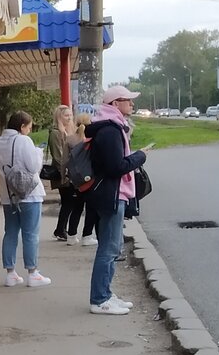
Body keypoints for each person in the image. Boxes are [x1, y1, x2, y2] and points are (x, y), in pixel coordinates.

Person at [84, 87, 150, 315]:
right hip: (112, 194)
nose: (132, 104)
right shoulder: (111, 130)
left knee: (112, 246)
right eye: (128, 100)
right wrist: (140, 156)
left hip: (110, 193)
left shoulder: (109, 126)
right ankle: (100, 299)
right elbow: (116, 167)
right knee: (109, 248)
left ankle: (106, 294)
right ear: (115, 103)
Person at [0, 111, 52, 288]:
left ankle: (10, 274)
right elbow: (33, 168)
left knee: (10, 232)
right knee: (30, 233)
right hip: (29, 194)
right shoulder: (23, 141)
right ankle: (33, 273)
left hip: (8, 195)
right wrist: (38, 153)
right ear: (22, 126)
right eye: (29, 127)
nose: (29, 131)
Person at [65, 113, 97, 246]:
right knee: (91, 208)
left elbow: (66, 159)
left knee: (76, 208)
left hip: (76, 180)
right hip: (90, 178)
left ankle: (71, 235)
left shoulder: (70, 139)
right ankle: (87, 236)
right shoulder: (91, 140)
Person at [47, 104, 76, 241]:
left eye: (70, 115)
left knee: (68, 202)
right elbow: (57, 156)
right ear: (59, 117)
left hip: (70, 172)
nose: (69, 118)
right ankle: (60, 230)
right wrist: (66, 171)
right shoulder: (55, 133)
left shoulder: (69, 131)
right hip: (62, 173)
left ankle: (61, 229)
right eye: (66, 115)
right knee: (68, 201)